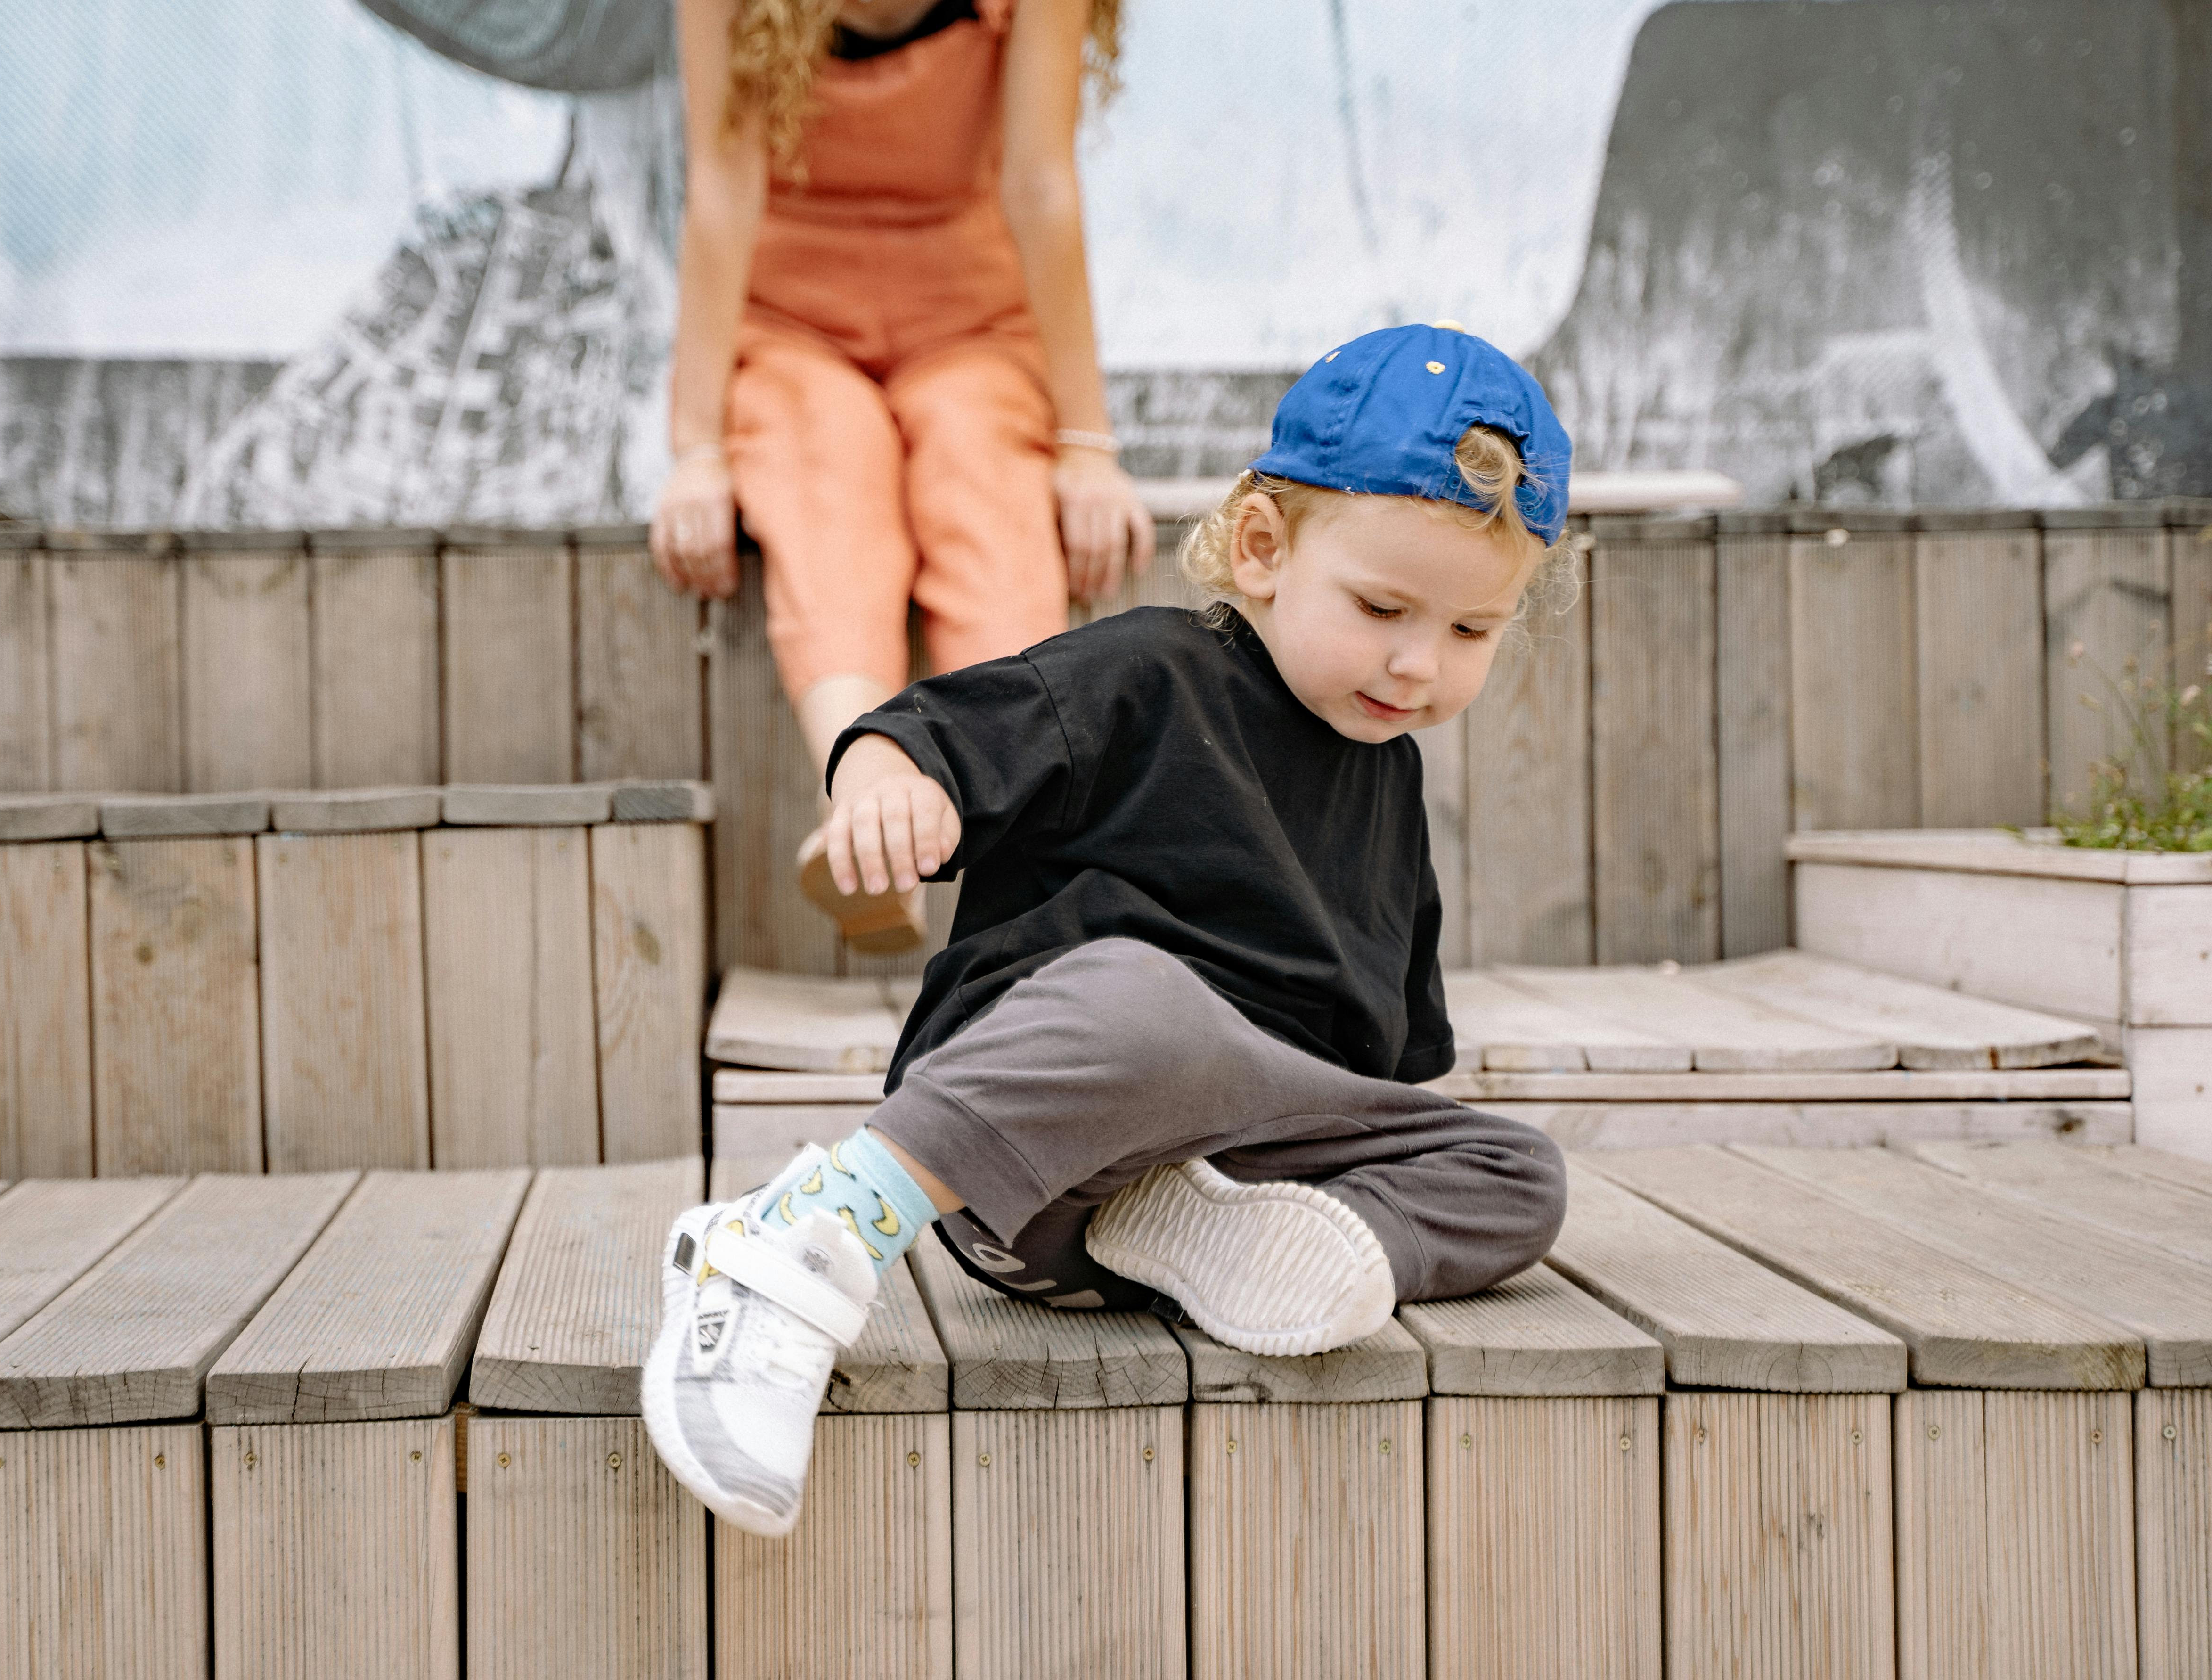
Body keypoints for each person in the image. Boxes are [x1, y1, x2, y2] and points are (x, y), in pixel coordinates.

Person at [643, 322, 1575, 1536]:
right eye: (1384, 606)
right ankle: (795, 1242)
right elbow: (928, 729)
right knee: (1152, 1009)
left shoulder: (1388, 786)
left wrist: (1374, 1172)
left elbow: (1389, 1071)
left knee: (1518, 1172)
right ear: (1261, 549)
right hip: (1027, 1144)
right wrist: (889, 789)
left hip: (1216, 1165)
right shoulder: (1148, 675)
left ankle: (1231, 1244)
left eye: (1469, 633)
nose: (1417, 663)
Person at [650, 0, 1156, 951]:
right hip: (793, 321)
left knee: (979, 468)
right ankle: (865, 787)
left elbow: (1041, 185)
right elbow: (722, 183)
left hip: (970, 321)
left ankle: (1020, 819)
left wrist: (1086, 446)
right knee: (818, 452)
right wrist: (697, 448)